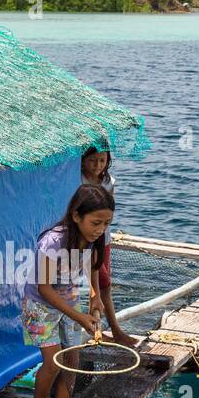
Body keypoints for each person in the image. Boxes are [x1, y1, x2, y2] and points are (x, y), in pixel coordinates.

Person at [23, 185, 114, 398]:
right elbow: (44, 288)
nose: (100, 229)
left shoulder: (95, 237)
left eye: (106, 223)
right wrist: (80, 316)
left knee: (72, 363)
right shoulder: (52, 242)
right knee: (52, 363)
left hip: (70, 302)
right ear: (76, 216)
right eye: (96, 222)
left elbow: (94, 264)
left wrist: (96, 295)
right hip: (41, 305)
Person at [80, 147, 133, 347]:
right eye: (93, 160)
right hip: (86, 238)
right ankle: (113, 331)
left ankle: (97, 329)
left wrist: (101, 228)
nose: (98, 165)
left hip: (103, 238)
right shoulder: (76, 180)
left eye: (102, 161)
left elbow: (110, 210)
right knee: (103, 283)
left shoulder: (108, 181)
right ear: (83, 160)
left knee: (103, 286)